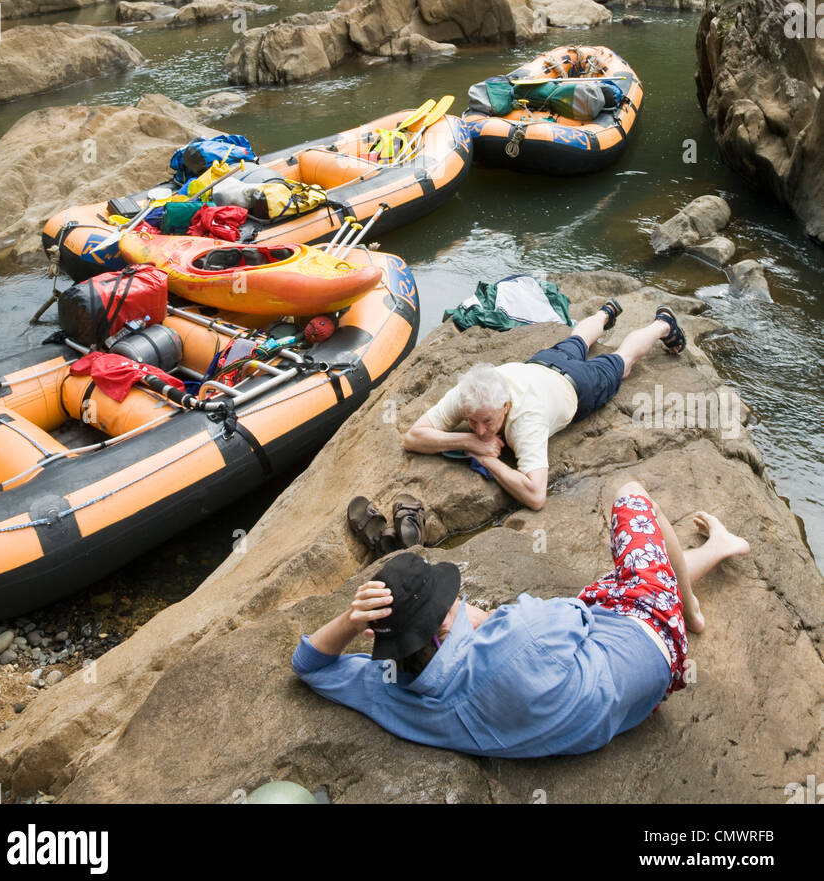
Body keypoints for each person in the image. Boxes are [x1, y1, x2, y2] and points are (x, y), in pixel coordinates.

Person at [292, 481, 749, 759]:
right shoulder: (522, 634)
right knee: (630, 498)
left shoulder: (396, 692)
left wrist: (350, 622)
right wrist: (488, 618)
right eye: (452, 600)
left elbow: (308, 666)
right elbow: (577, 617)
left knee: (622, 583)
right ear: (446, 625)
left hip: (613, 710)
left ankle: (714, 551)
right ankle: (688, 607)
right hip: (650, 649)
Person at [402, 300, 687, 511]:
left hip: (579, 385)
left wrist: (486, 458)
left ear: (505, 405)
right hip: (542, 365)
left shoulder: (526, 421)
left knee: (622, 361)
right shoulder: (470, 392)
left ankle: (663, 324)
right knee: (578, 338)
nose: (479, 429)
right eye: (472, 420)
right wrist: (470, 442)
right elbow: (413, 437)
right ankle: (605, 313)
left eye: (487, 422)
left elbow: (536, 496)